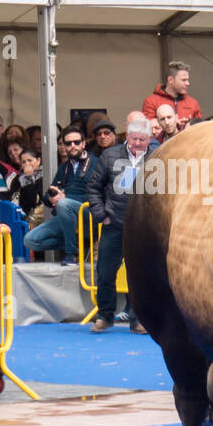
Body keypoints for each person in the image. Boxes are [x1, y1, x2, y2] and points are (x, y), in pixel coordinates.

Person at [86, 117, 153, 334]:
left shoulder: (158, 157)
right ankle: (105, 316)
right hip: (113, 223)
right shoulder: (110, 155)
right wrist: (101, 214)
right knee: (105, 272)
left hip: (143, 228)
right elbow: (93, 187)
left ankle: (138, 319)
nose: (137, 143)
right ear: (127, 135)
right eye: (134, 138)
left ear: (149, 139)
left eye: (142, 139)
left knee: (140, 275)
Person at [24, 124, 91, 264]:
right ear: (64, 146)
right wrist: (51, 196)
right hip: (64, 215)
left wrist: (65, 198)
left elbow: (99, 196)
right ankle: (76, 245)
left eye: (77, 142)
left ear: (84, 144)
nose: (72, 146)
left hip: (88, 215)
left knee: (64, 203)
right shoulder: (64, 167)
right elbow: (48, 197)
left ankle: (70, 254)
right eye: (68, 143)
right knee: (30, 240)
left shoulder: (96, 163)